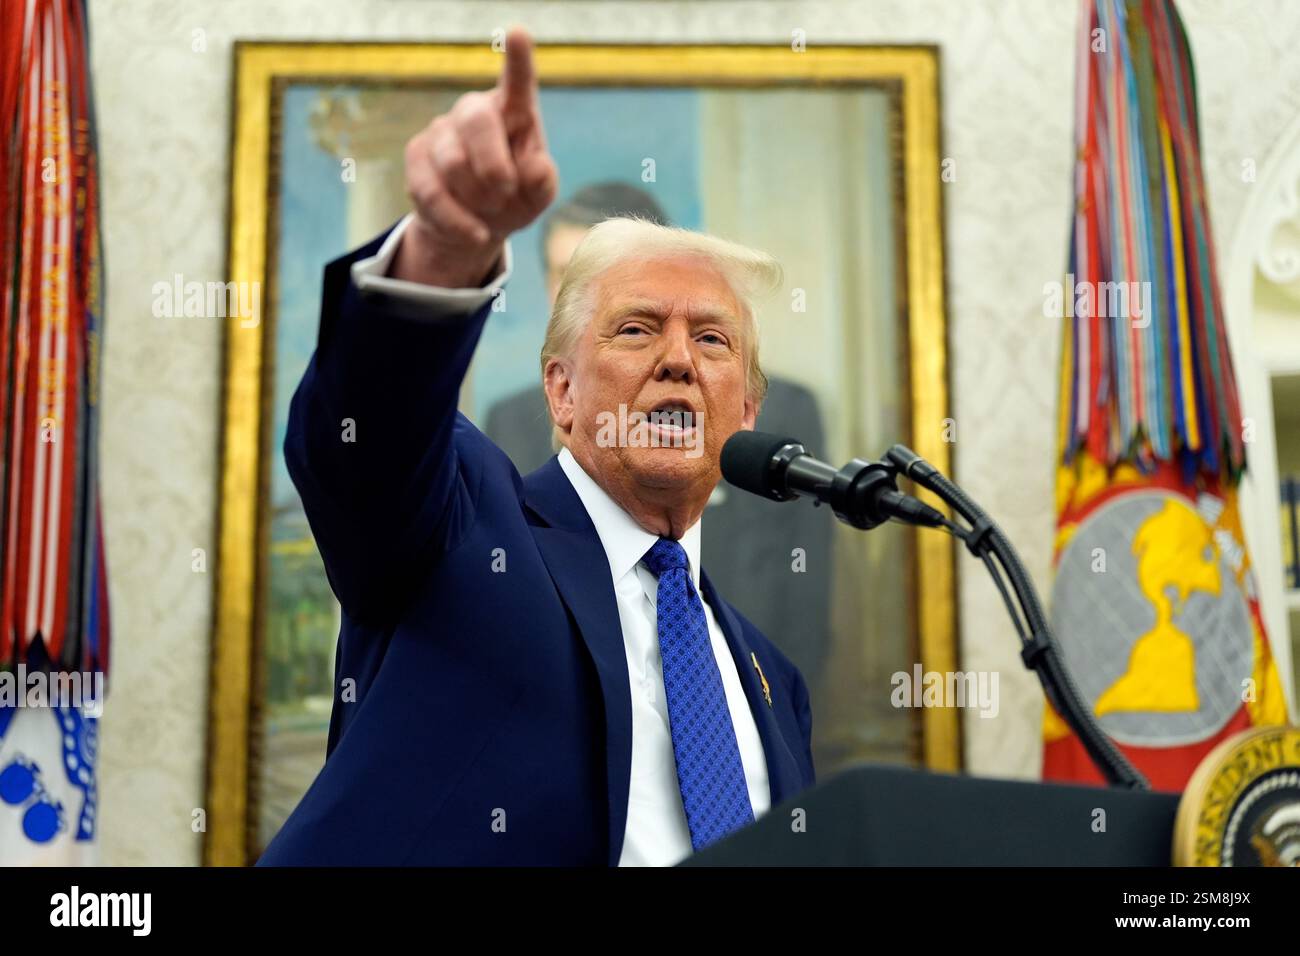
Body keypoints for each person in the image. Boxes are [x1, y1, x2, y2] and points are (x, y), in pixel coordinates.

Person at [258, 26, 814, 867]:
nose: (677, 359)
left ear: (745, 410)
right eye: (636, 330)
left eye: (712, 341)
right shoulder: (467, 533)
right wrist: (442, 257)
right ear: (560, 391)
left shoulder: (776, 684)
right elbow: (363, 442)